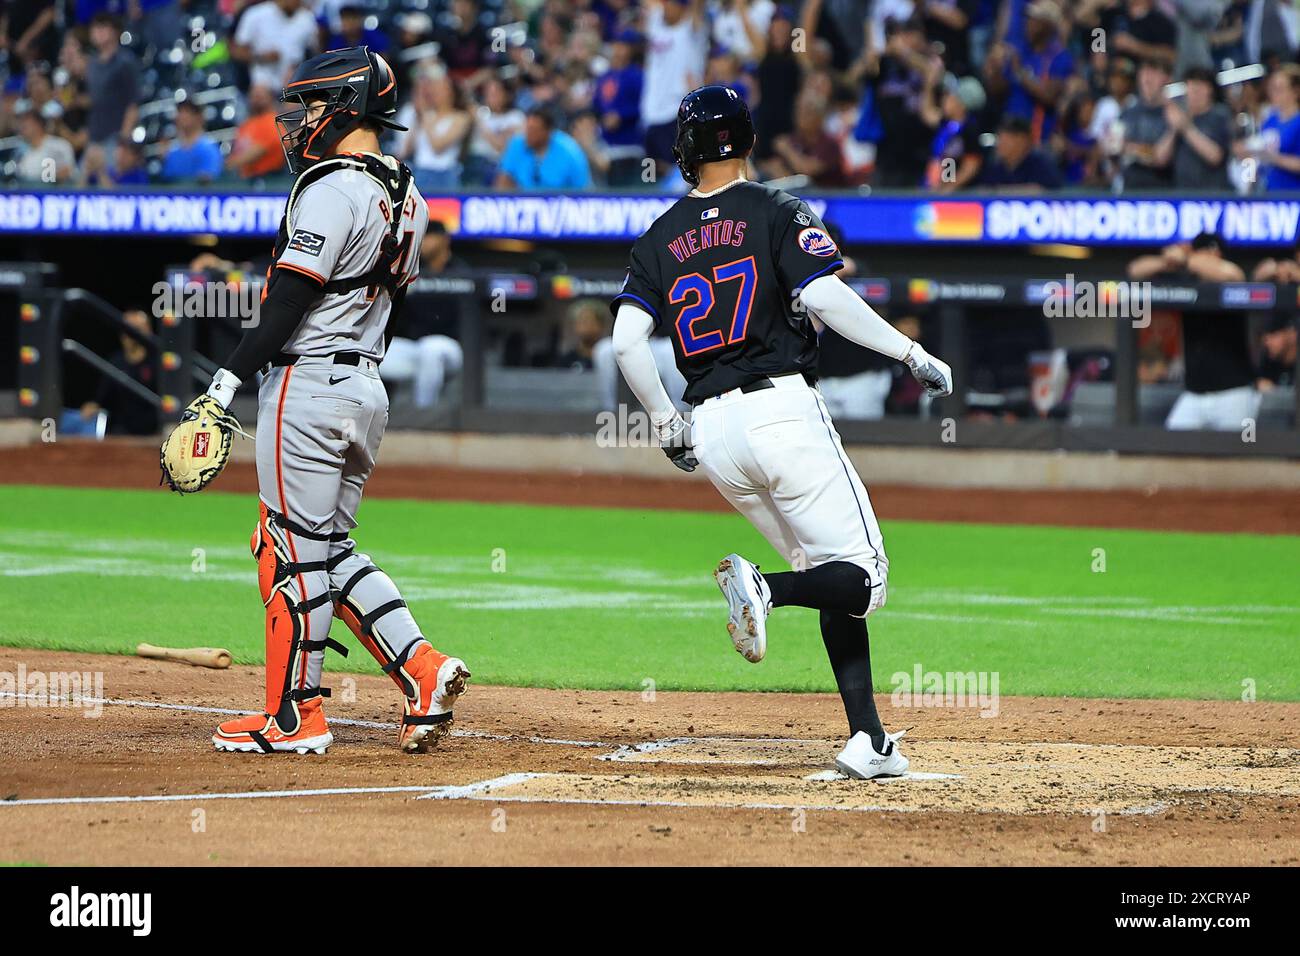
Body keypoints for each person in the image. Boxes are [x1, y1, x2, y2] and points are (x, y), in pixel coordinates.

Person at [609, 86, 953, 780]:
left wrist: (667, 422)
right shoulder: (776, 209)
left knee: (827, 570)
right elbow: (823, 293)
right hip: (780, 410)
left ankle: (869, 739)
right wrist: (910, 353)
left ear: (685, 151)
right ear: (747, 139)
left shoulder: (659, 235)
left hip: (712, 433)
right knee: (865, 578)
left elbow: (624, 343)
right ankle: (765, 590)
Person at [175, 46, 468, 754]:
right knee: (329, 550)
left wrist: (223, 384)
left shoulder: (330, 186)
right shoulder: (411, 194)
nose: (300, 120)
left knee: (286, 552)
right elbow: (389, 311)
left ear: (342, 105)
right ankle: (423, 670)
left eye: (310, 105)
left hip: (306, 386)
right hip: (364, 388)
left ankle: (292, 716)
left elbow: (289, 298)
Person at [1128, 233, 1261, 430]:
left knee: (1238, 454)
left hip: (1235, 394)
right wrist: (1168, 260)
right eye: (1203, 252)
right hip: (1195, 395)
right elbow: (1134, 270)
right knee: (1171, 445)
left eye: (1212, 253)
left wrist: (1187, 258)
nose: (1208, 257)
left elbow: (1231, 274)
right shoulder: (1187, 277)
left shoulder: (1229, 277)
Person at [381, 221, 467, 408]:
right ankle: (376, 412)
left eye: (430, 237)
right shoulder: (412, 270)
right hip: (413, 347)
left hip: (450, 349)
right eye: (423, 236)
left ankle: (424, 416)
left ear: (445, 240)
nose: (424, 241)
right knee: (373, 350)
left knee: (431, 349)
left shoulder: (461, 272)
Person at [640, 0, 708, 173]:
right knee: (650, 173)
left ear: (683, 7)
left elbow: (698, 7)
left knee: (679, 169)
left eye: (672, 4)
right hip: (650, 112)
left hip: (676, 111)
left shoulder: (691, 30)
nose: (666, 7)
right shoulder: (656, 24)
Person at [78, 308, 159, 436]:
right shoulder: (115, 362)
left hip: (154, 431)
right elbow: (100, 398)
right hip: (121, 432)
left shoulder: (159, 361)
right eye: (127, 329)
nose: (130, 335)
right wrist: (93, 405)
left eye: (136, 329)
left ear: (148, 330)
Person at [395, 65, 472, 192]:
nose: (435, 93)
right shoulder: (426, 115)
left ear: (451, 92)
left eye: (440, 89)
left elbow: (438, 146)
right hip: (421, 171)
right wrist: (418, 117)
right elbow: (407, 149)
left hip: (445, 174)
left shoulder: (461, 117)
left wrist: (424, 114)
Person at [1154, 66, 1232, 190]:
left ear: (1210, 90)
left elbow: (1215, 156)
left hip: (1213, 194)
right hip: (1183, 194)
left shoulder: (1219, 116)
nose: (1195, 94)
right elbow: (1160, 158)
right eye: (1191, 88)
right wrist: (1173, 129)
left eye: (1199, 88)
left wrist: (1187, 129)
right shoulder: (1178, 118)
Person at [231, 0, 318, 94]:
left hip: (295, 84)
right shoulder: (255, 14)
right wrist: (262, 57)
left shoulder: (307, 18)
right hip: (263, 85)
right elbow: (237, 51)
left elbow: (315, 52)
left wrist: (300, 69)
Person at [495, 109, 592, 189]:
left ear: (548, 131)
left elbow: (583, 190)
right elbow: (503, 181)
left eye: (534, 130)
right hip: (524, 204)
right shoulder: (517, 144)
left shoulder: (570, 152)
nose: (528, 135)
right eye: (528, 129)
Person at [85, 13, 140, 153]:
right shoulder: (92, 64)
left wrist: (124, 138)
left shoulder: (125, 62)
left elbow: (133, 103)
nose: (97, 32)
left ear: (115, 31)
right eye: (95, 28)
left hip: (115, 135)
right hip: (95, 135)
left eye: (103, 27)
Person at [1119, 58, 1173, 189]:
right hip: (1130, 191)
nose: (1147, 79)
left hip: (1162, 190)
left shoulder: (1172, 114)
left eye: (1153, 73)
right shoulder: (1129, 112)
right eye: (1143, 74)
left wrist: (1131, 149)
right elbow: (1116, 148)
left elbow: (1160, 158)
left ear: (1167, 79)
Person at [976, 114, 1062, 190]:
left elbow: (1049, 191)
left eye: (1006, 140)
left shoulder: (1040, 165)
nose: (1000, 144)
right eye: (1000, 139)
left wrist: (1000, 191)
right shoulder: (995, 168)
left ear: (1023, 140)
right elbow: (984, 191)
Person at [226, 85, 286, 180]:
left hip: (267, 180)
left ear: (270, 98)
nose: (256, 99)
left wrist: (230, 164)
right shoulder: (247, 123)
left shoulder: (272, 122)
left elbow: (256, 152)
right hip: (245, 179)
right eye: (253, 96)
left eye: (260, 96)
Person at [159, 100, 223, 183]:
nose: (182, 116)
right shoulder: (173, 151)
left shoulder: (208, 148)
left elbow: (209, 180)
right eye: (180, 112)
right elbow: (167, 182)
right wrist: (163, 160)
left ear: (198, 117)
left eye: (187, 112)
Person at [15, 107, 75, 183]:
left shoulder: (59, 145)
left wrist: (48, 180)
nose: (21, 125)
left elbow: (68, 172)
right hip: (29, 193)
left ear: (38, 124)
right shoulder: (22, 152)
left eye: (26, 121)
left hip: (56, 193)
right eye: (21, 121)